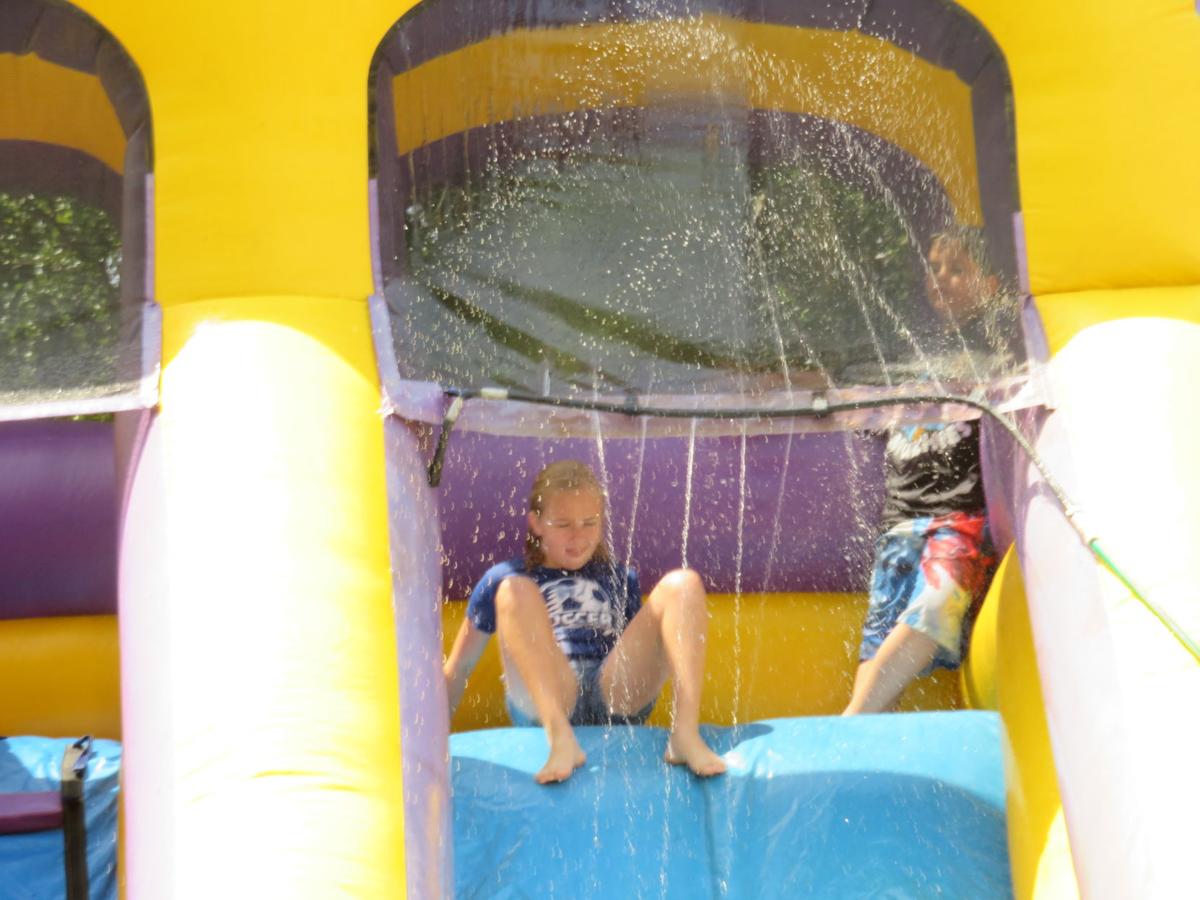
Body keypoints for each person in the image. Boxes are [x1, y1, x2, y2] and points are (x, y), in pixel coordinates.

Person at [444, 459, 727, 784]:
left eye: (589, 522)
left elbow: (637, 650)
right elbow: (458, 668)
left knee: (684, 583)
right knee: (513, 590)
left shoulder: (620, 578)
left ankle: (685, 734)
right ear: (536, 523)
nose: (578, 536)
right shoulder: (508, 576)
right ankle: (560, 738)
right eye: (563, 524)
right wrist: (426, 747)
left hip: (612, 694)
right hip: (550, 694)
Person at [843, 230, 1007, 715]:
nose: (942, 278)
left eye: (958, 269)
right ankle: (862, 748)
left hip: (957, 519)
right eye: (935, 268)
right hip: (898, 522)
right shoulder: (906, 347)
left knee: (934, 608)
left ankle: (849, 725)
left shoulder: (994, 344)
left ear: (993, 285)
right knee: (878, 640)